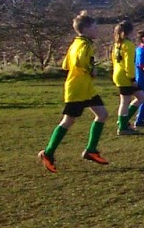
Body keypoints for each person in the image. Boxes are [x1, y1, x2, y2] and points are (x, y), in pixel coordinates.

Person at [37, 11, 109, 172]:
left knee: (102, 114)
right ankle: (48, 153)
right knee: (68, 121)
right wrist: (91, 69)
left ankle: (91, 150)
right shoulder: (84, 45)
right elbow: (78, 61)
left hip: (86, 88)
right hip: (77, 89)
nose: (97, 30)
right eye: (95, 27)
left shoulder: (76, 43)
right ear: (86, 28)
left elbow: (65, 65)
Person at [110, 20, 144, 135]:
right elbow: (129, 64)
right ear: (129, 32)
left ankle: (123, 121)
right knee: (125, 101)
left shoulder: (117, 44)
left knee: (142, 97)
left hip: (118, 73)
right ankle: (122, 127)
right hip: (125, 76)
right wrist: (132, 79)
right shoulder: (128, 45)